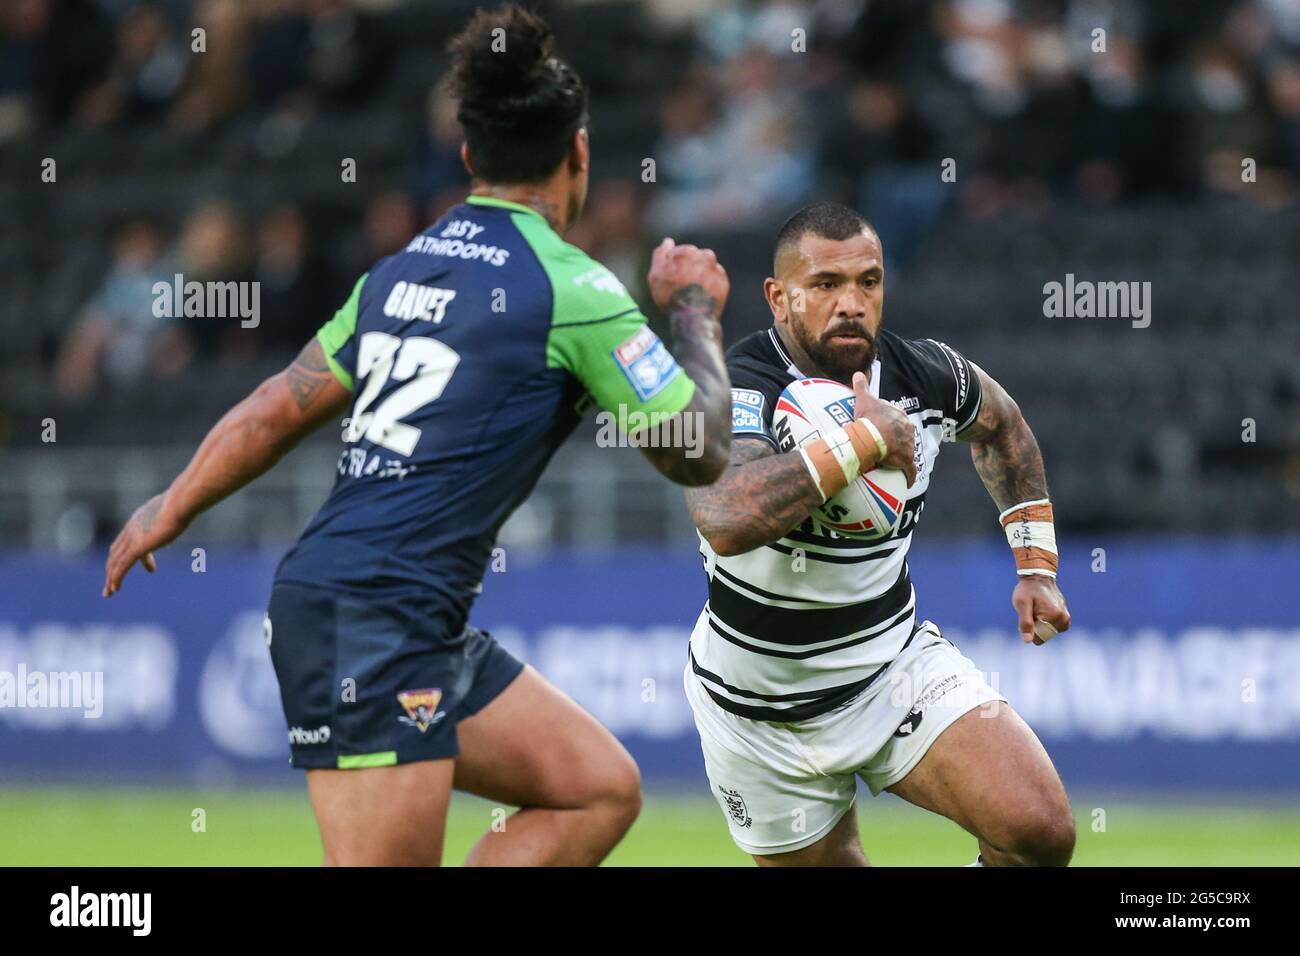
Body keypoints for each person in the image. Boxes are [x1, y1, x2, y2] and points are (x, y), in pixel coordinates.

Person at [102, 4, 732, 867]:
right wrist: (694, 308)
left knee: (596, 787)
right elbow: (697, 448)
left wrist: (171, 504)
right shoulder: (572, 286)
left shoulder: (400, 272)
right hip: (373, 618)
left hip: (399, 614)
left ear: (470, 159)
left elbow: (276, 407)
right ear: (578, 153)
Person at [682, 201, 1075, 866]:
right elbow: (725, 516)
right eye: (827, 284)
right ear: (779, 297)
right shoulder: (737, 383)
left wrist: (1036, 563)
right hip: (754, 710)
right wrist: (866, 441)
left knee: (1039, 831)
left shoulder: (922, 373)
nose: (852, 304)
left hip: (889, 670)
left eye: (868, 282)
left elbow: (1002, 425)